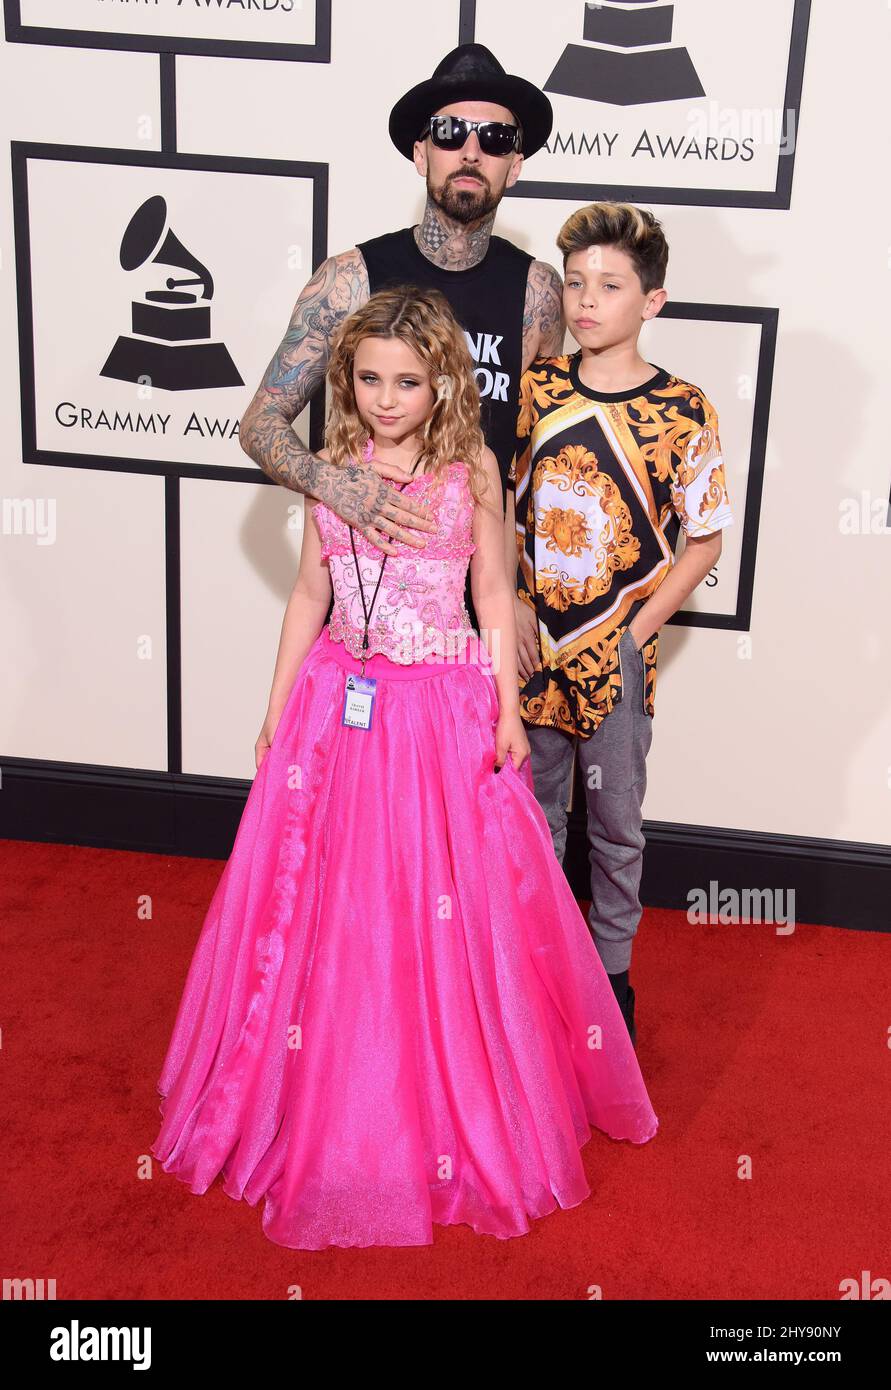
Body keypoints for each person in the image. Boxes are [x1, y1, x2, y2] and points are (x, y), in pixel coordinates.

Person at [151, 285, 657, 1252]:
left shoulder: (469, 469)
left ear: (442, 384)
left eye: (408, 382)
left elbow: (496, 592)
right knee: (327, 906)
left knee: (449, 908)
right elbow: (308, 592)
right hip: (335, 707)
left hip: (439, 706)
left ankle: (445, 1098)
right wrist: (271, 712)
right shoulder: (334, 469)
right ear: (347, 381)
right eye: (369, 379)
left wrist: (508, 707)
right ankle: (317, 1087)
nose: (386, 399)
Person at [238, 42, 565, 633]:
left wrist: (516, 595)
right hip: (367, 608)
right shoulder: (349, 281)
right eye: (449, 132)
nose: (470, 151)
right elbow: (258, 424)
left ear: (514, 165)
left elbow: (531, 465)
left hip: (480, 619)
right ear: (421, 152)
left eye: (494, 139)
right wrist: (336, 486)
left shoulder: (539, 295)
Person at [506, 201, 734, 1046]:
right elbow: (501, 503)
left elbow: (702, 542)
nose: (585, 301)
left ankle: (608, 989)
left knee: (614, 826)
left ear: (653, 301)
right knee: (528, 812)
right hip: (533, 647)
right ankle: (524, 971)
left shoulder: (683, 409)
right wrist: (519, 603)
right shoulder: (537, 389)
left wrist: (632, 639)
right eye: (573, 284)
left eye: (608, 285)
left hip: (619, 658)